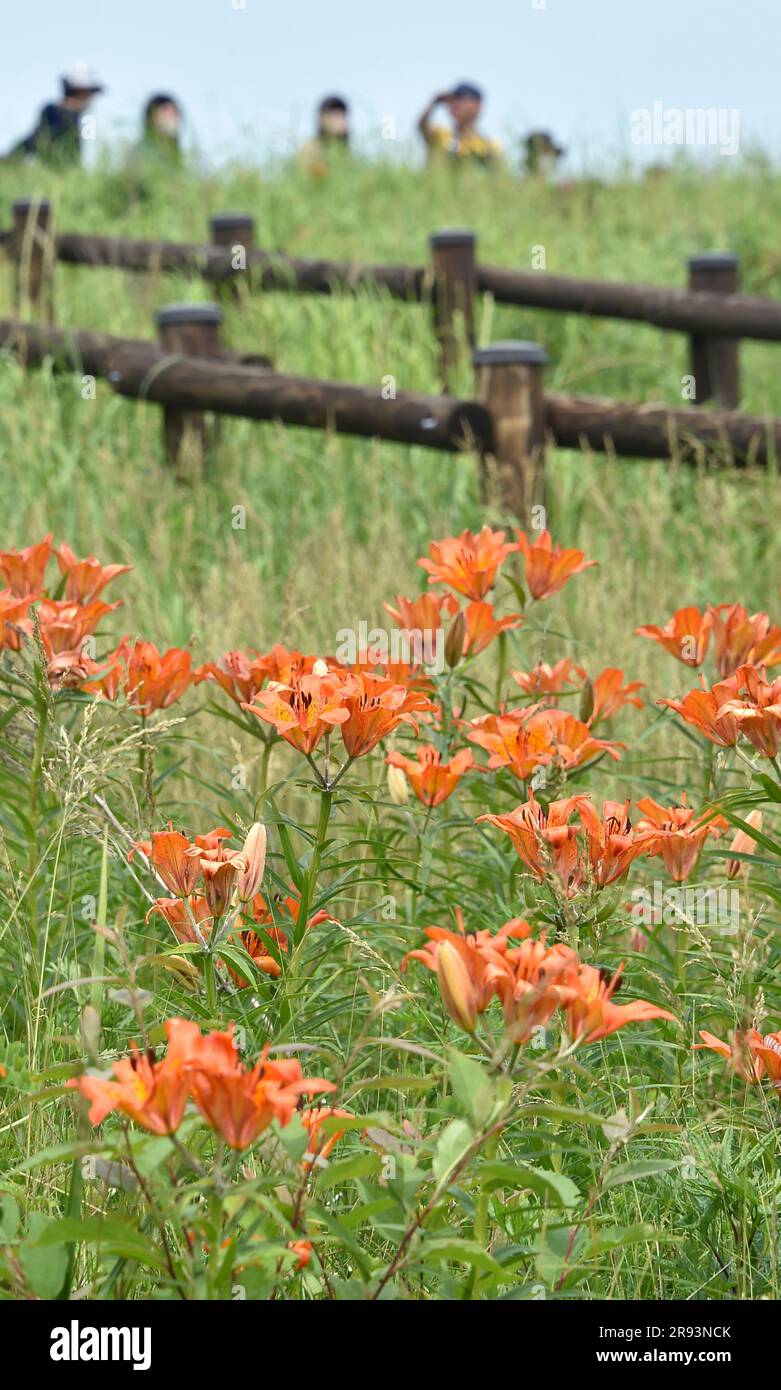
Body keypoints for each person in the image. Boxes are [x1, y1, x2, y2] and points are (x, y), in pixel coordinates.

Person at [6, 64, 105, 166]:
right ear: (81, 91)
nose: (92, 99)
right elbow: (36, 140)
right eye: (91, 93)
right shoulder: (57, 113)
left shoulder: (79, 118)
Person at [418, 83, 501, 166]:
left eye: (460, 100)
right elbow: (422, 125)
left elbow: (499, 175)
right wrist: (435, 102)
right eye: (452, 101)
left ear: (477, 106)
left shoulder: (490, 146)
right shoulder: (441, 135)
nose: (454, 105)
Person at [301, 95, 351, 175]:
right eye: (334, 116)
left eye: (342, 116)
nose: (339, 121)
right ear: (322, 119)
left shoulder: (344, 152)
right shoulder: (312, 148)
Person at [139, 93, 184, 165]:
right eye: (166, 111)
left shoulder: (180, 155)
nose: (172, 118)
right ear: (151, 118)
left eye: (175, 112)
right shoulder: (141, 151)